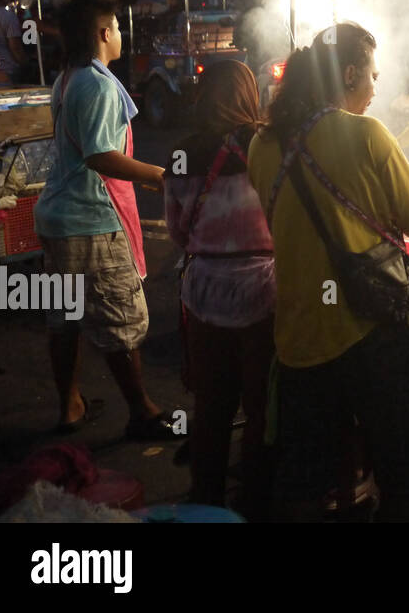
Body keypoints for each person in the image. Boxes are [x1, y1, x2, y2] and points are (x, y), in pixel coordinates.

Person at [247, 23, 409, 522]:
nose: (376, 88)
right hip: (369, 331)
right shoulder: (366, 133)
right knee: (400, 464)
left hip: (297, 335)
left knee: (304, 475)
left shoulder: (261, 145)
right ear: (350, 73)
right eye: (373, 75)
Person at [34, 0, 179, 440]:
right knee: (119, 320)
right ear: (102, 34)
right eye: (115, 26)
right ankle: (143, 412)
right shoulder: (95, 86)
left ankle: (70, 406)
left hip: (58, 217)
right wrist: (160, 176)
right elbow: (101, 155)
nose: (120, 33)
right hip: (90, 219)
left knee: (67, 316)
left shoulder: (69, 77)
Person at [164, 60, 276, 518]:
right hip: (264, 290)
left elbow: (176, 232)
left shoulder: (180, 152)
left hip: (205, 289)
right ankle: (254, 500)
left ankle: (205, 499)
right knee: (260, 404)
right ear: (248, 95)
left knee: (211, 403)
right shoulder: (266, 145)